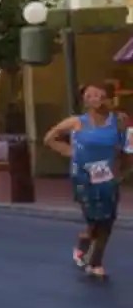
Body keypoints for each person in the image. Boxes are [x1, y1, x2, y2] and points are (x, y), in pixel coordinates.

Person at [44, 84, 130, 278]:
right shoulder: (77, 122)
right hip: (83, 178)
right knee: (95, 220)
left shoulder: (118, 121)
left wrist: (123, 170)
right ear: (85, 101)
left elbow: (128, 146)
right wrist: (70, 152)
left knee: (106, 221)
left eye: (99, 94)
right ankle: (85, 242)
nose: (95, 97)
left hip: (108, 178)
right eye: (90, 95)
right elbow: (49, 138)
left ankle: (95, 262)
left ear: (108, 97)